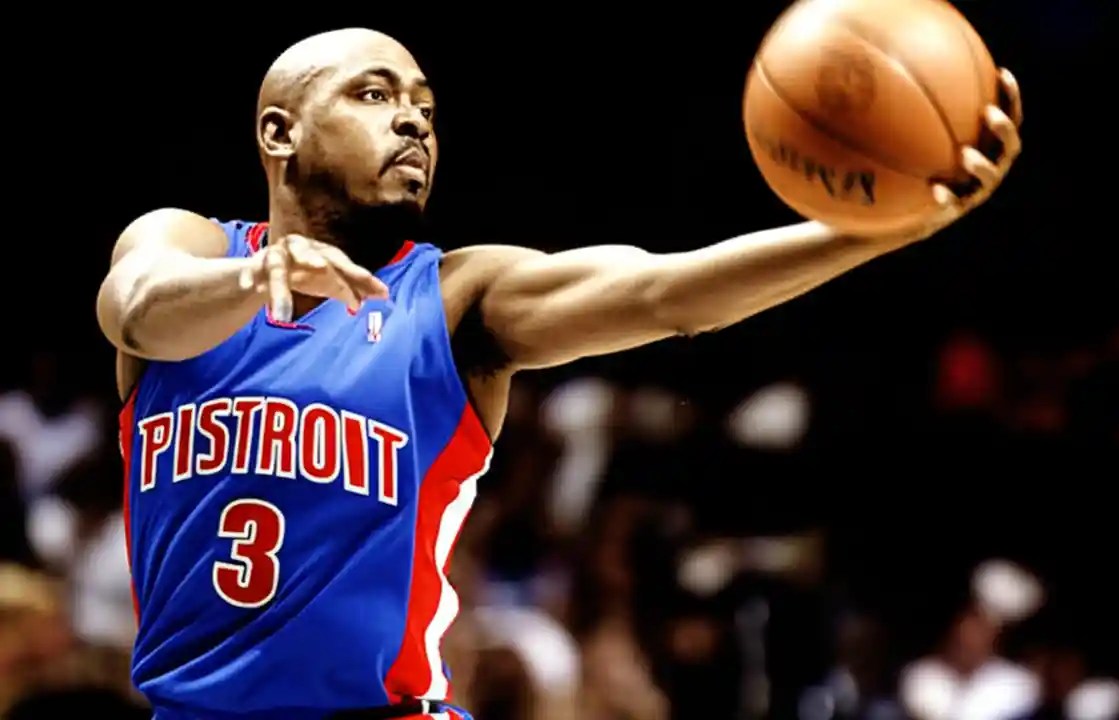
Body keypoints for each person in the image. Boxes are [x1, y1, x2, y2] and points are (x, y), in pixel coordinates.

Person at [94, 27, 1022, 720]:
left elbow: (668, 293)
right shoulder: (186, 246)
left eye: (423, 102)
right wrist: (266, 275)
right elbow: (135, 307)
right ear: (280, 133)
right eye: (374, 95)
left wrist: (882, 229)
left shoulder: (457, 299)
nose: (413, 118)